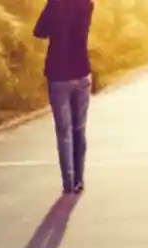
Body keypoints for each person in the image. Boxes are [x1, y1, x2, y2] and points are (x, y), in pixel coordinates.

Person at [34, 0, 94, 194]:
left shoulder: (55, 3)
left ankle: (68, 183)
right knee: (79, 129)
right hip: (81, 71)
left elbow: (38, 31)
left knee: (64, 132)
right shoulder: (87, 4)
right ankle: (79, 179)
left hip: (58, 74)